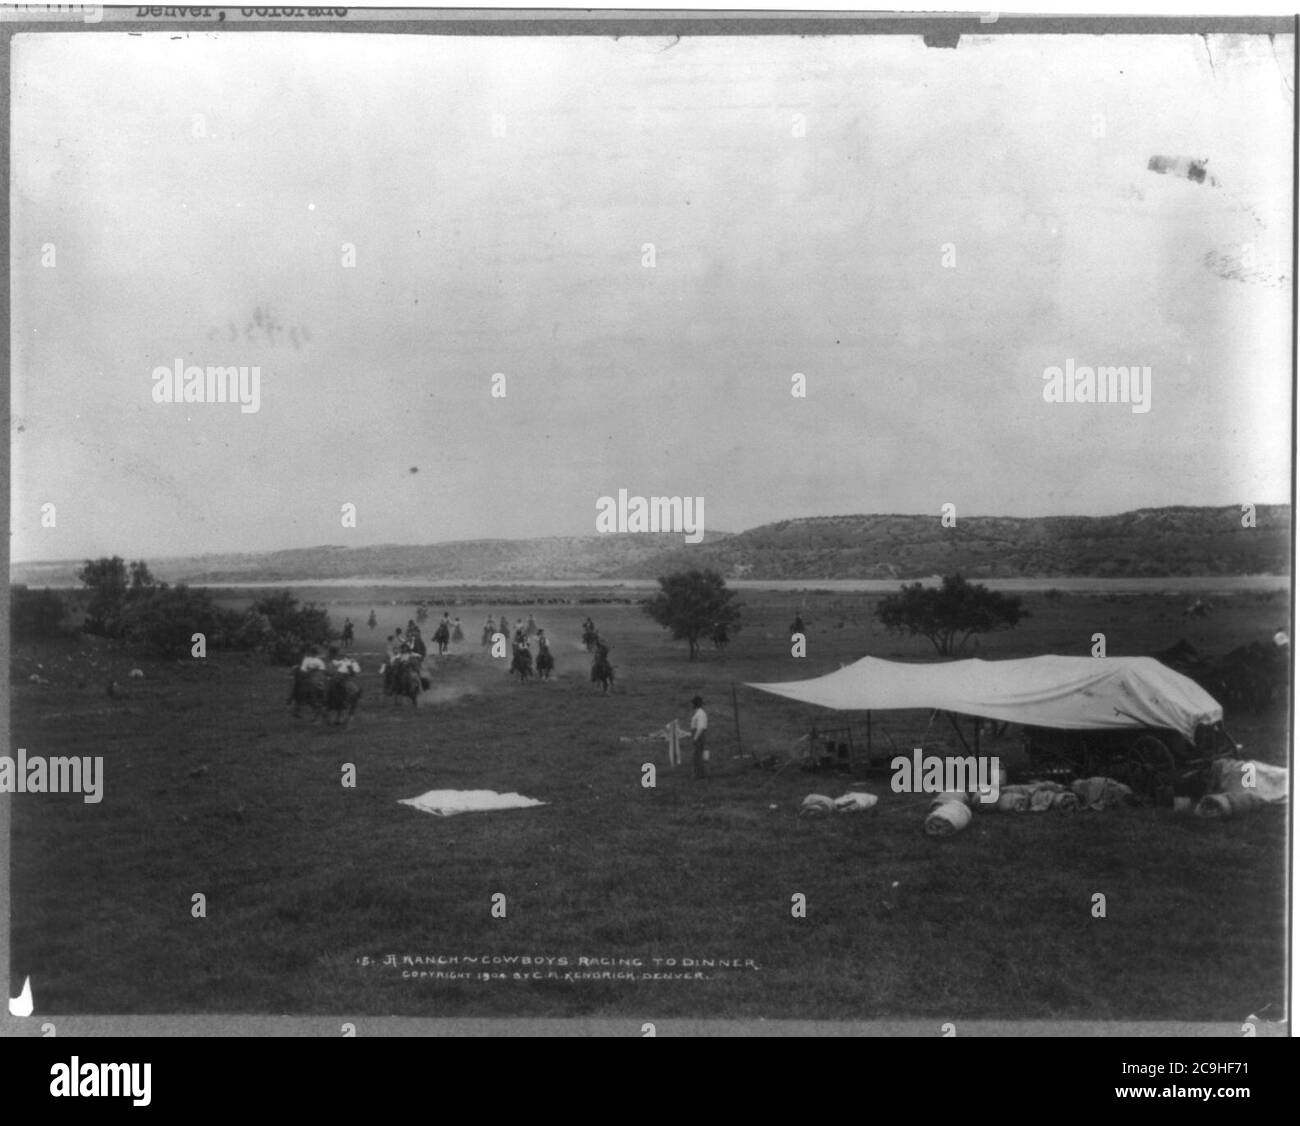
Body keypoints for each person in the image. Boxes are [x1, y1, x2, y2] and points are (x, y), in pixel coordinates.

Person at [690, 695, 709, 779]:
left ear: (695, 704)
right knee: (698, 755)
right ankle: (700, 774)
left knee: (697, 755)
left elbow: (700, 727)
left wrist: (695, 738)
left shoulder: (700, 714)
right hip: (698, 734)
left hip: (699, 735)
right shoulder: (699, 713)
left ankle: (697, 775)